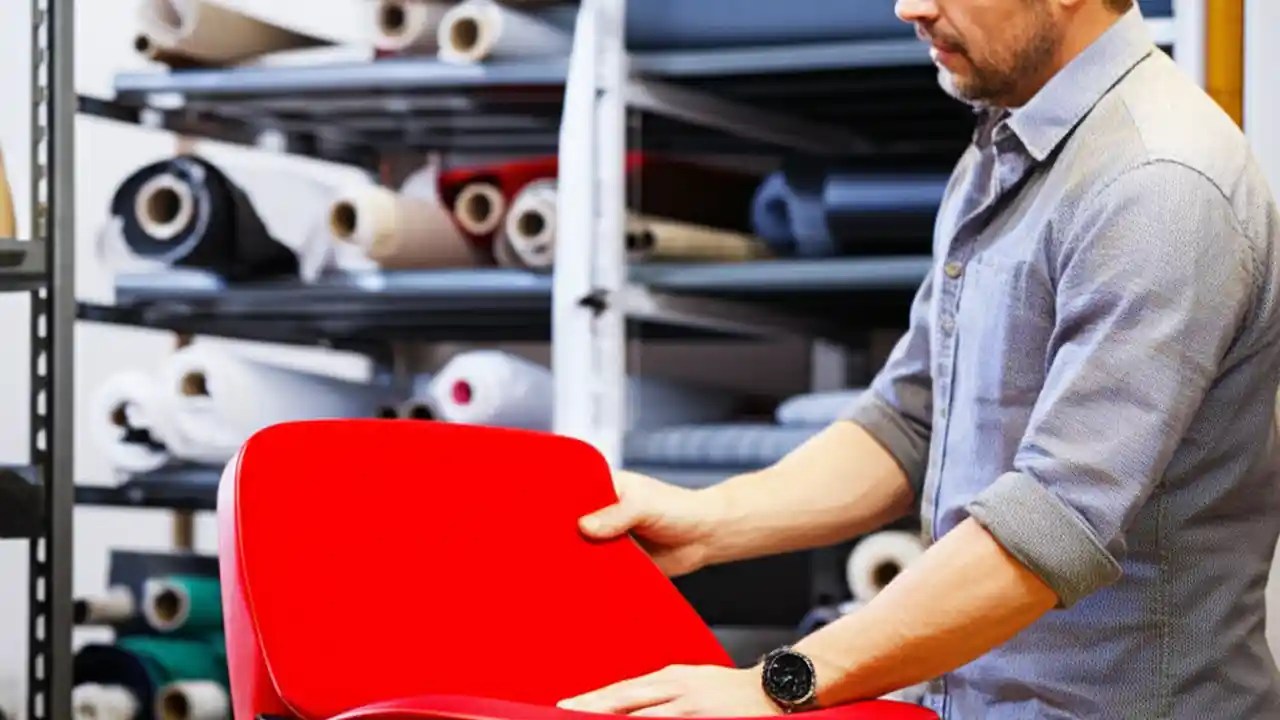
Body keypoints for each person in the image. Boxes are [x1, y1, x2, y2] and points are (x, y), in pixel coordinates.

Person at [556, 0, 1280, 717]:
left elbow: (1053, 524)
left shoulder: (1156, 183)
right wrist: (710, 520)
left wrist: (777, 683)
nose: (910, 9)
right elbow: (911, 421)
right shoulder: (1007, 144)